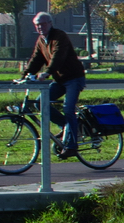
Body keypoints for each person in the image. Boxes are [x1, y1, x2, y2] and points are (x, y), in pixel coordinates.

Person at [20, 11, 88, 158]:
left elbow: (59, 56)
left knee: (68, 108)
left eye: (43, 24)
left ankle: (71, 146)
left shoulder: (59, 36)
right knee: (40, 102)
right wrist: (24, 75)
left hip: (74, 78)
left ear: (50, 23)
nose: (40, 27)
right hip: (60, 80)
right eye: (37, 25)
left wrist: (47, 72)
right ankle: (67, 126)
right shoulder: (41, 40)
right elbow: (36, 59)